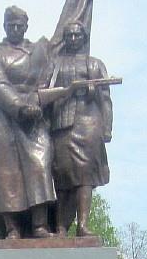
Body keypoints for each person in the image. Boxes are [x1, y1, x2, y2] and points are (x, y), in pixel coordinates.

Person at [0, 5, 57, 239]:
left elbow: (52, 72)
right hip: (3, 117)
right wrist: (20, 107)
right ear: (4, 27)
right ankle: (12, 229)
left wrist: (40, 100)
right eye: (11, 25)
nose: (15, 29)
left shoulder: (38, 50)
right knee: (5, 174)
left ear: (26, 26)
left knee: (40, 164)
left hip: (35, 114)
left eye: (19, 25)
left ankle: (40, 225)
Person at [48, 21, 112, 236]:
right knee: (62, 176)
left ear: (84, 38)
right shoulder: (54, 64)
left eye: (77, 35)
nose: (74, 39)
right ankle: (60, 227)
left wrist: (107, 128)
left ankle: (82, 225)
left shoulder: (95, 64)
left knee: (85, 176)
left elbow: (105, 99)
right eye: (70, 35)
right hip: (61, 125)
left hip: (89, 125)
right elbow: (46, 92)